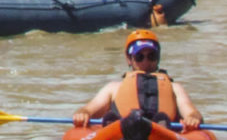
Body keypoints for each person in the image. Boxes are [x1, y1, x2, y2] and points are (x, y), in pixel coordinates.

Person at [73, 29, 202, 129]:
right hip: (122, 136)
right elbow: (89, 109)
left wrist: (193, 118)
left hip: (163, 135)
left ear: (158, 58)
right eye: (140, 56)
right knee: (115, 119)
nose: (146, 62)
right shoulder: (113, 88)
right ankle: (115, 124)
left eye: (151, 56)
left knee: (161, 120)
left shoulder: (175, 88)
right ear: (129, 59)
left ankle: (158, 126)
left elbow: (191, 111)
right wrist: (82, 113)